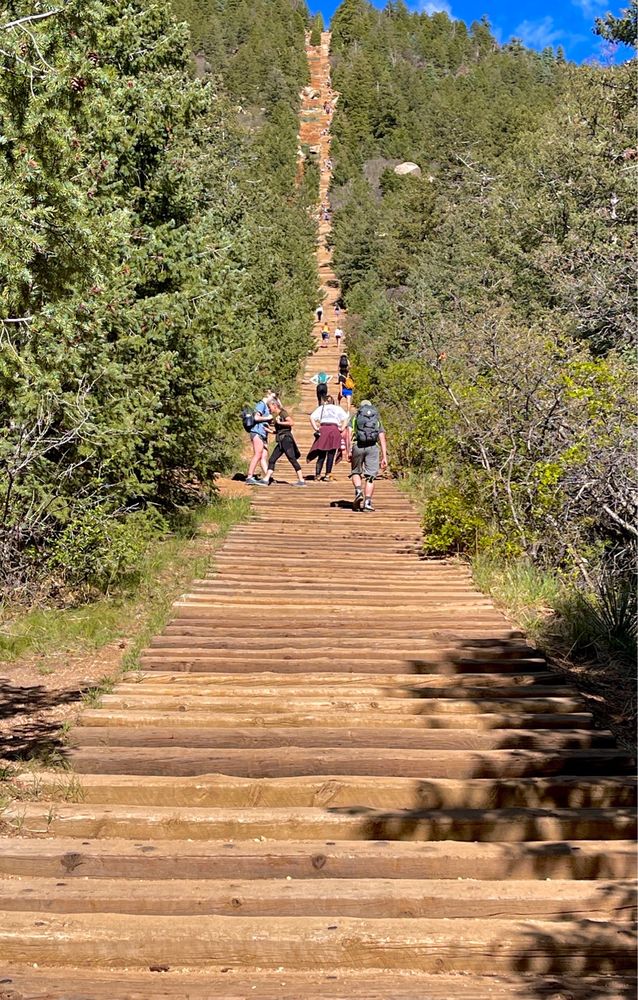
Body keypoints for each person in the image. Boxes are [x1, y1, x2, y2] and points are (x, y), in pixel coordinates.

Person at [346, 399, 388, 512]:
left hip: (358, 446)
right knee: (370, 476)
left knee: (356, 471)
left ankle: (358, 491)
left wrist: (348, 450)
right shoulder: (376, 418)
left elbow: (348, 433)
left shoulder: (355, 417)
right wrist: (384, 456)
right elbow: (382, 437)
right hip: (373, 448)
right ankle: (367, 502)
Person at [256, 402, 306, 487]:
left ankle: (301, 480)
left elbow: (291, 423)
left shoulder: (283, 413)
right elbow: (279, 431)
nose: (269, 409)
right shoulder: (277, 416)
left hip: (286, 439)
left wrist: (279, 423)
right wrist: (269, 430)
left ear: (275, 406)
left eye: (270, 407)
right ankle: (266, 480)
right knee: (272, 459)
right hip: (280, 441)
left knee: (292, 459)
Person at [308, 395, 348, 481]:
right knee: (331, 454)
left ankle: (317, 475)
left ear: (325, 401)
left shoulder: (322, 408)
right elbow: (345, 418)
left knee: (321, 453)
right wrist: (342, 428)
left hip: (323, 429)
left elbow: (311, 417)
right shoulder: (337, 408)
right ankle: (327, 474)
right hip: (334, 430)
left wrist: (316, 428)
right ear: (333, 402)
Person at [246, 392, 276, 485]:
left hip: (263, 434)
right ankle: (249, 476)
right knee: (258, 454)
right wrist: (268, 417)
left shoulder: (265, 406)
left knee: (264, 456)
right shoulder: (261, 404)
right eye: (273, 396)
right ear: (268, 394)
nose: (274, 399)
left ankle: (267, 477)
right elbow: (256, 417)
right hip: (257, 432)